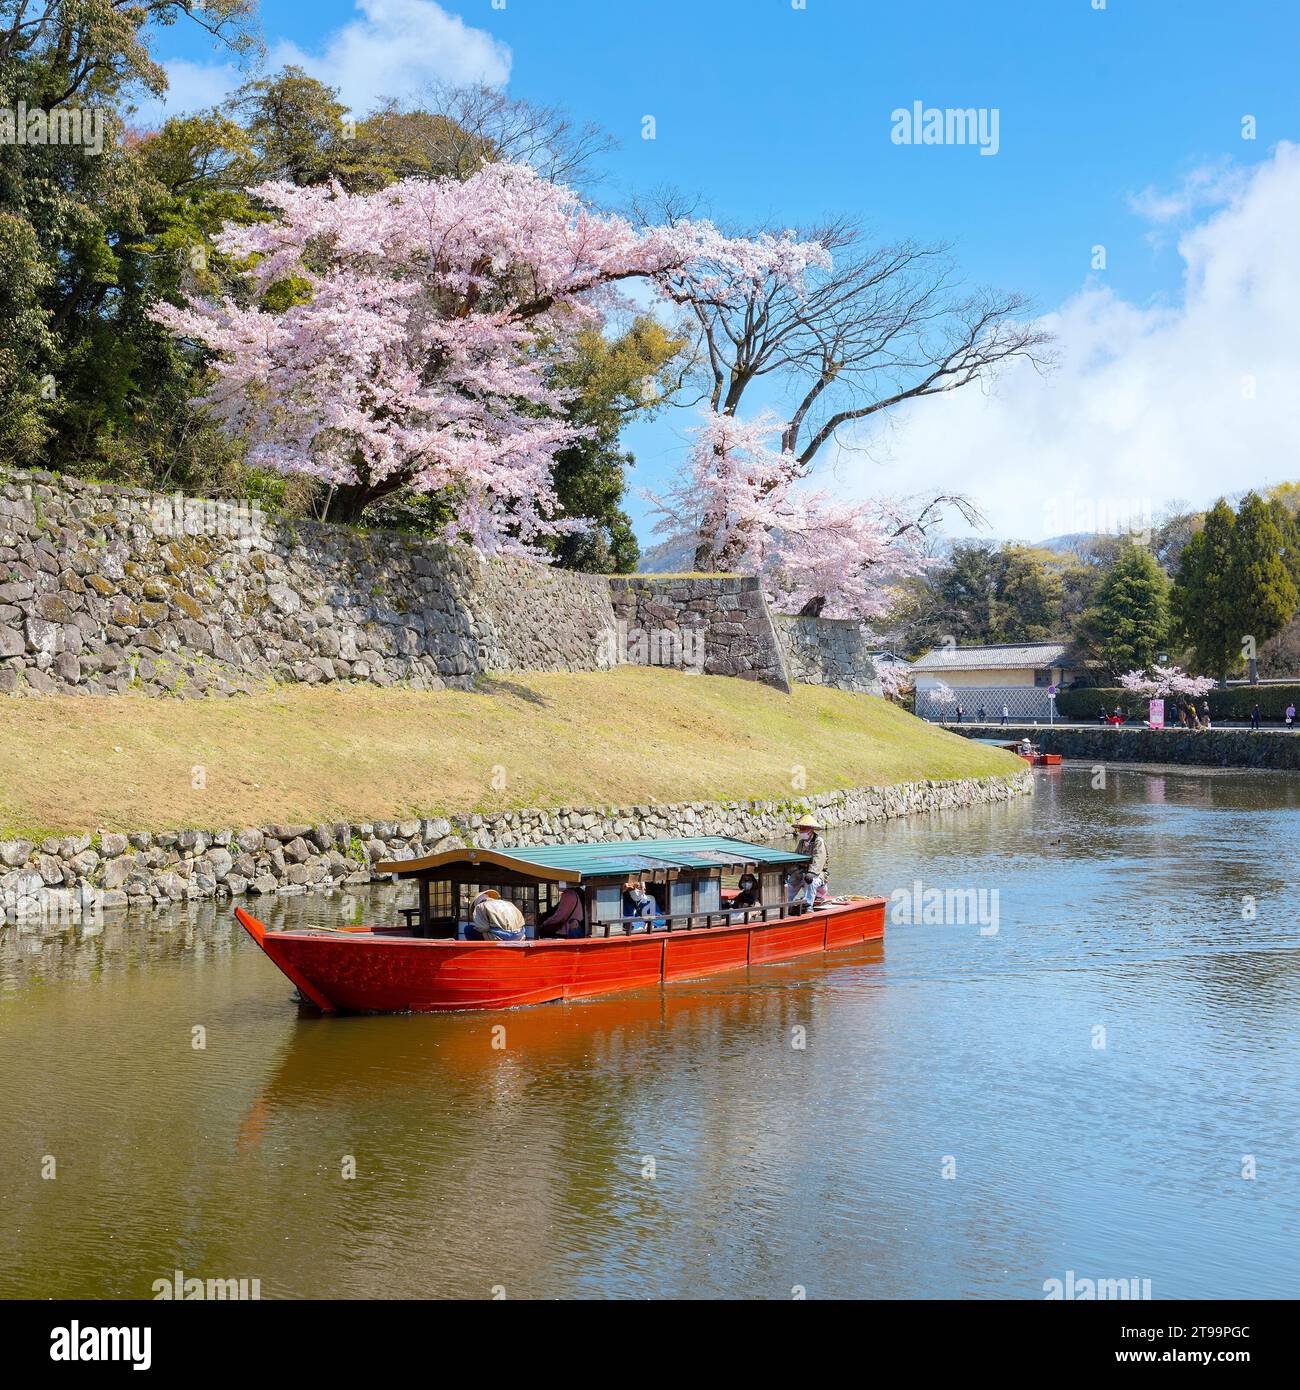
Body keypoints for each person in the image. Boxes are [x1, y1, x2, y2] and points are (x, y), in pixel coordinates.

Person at [789, 816, 828, 910]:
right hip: (801, 872)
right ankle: (786, 906)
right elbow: (796, 857)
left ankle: (808, 907)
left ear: (810, 829)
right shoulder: (801, 842)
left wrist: (812, 872)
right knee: (789, 884)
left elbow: (819, 858)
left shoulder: (818, 841)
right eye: (800, 828)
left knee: (811, 881)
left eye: (804, 828)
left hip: (818, 874)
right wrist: (790, 870)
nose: (801, 831)